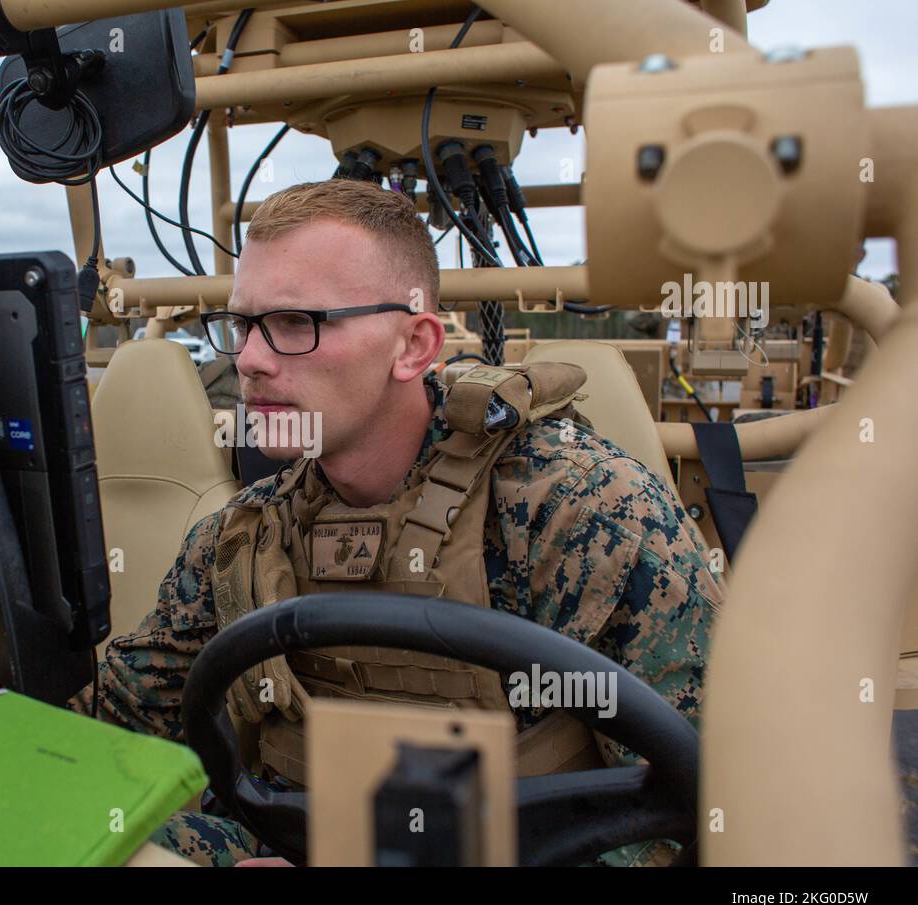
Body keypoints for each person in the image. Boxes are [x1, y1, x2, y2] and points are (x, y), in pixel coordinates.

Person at [76, 178, 722, 866]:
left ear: (413, 346)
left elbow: (697, 810)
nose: (251, 361)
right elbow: (116, 724)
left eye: (297, 323)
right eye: (242, 326)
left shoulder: (582, 515)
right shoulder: (242, 538)